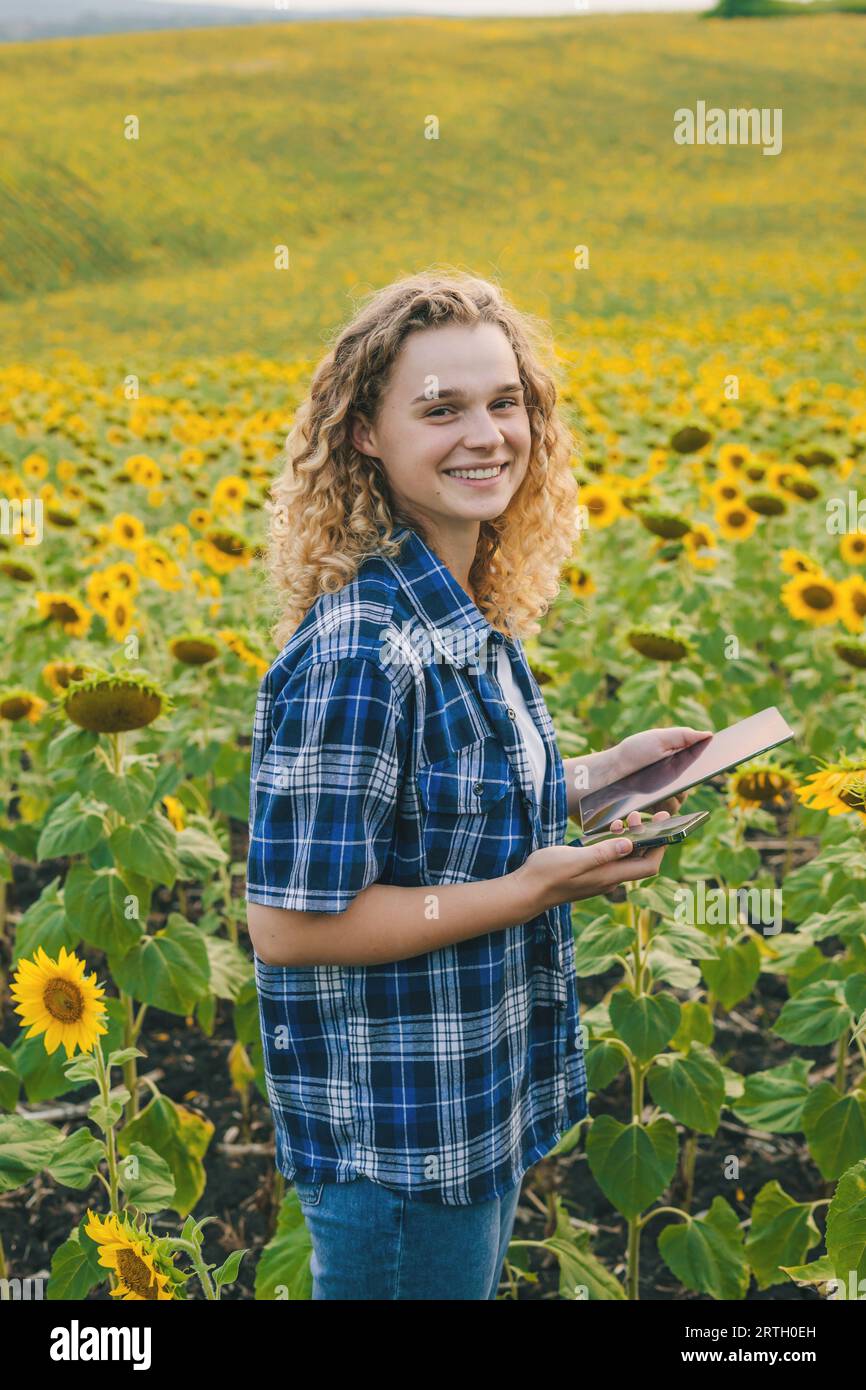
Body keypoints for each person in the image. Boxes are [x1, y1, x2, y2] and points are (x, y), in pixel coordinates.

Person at [245, 269, 710, 1300]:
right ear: (364, 432)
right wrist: (530, 891)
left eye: (505, 403)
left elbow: (444, 815)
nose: (486, 434)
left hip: (470, 1106)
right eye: (440, 409)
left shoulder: (461, 612)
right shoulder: (366, 647)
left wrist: (595, 779)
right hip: (399, 1143)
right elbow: (288, 926)